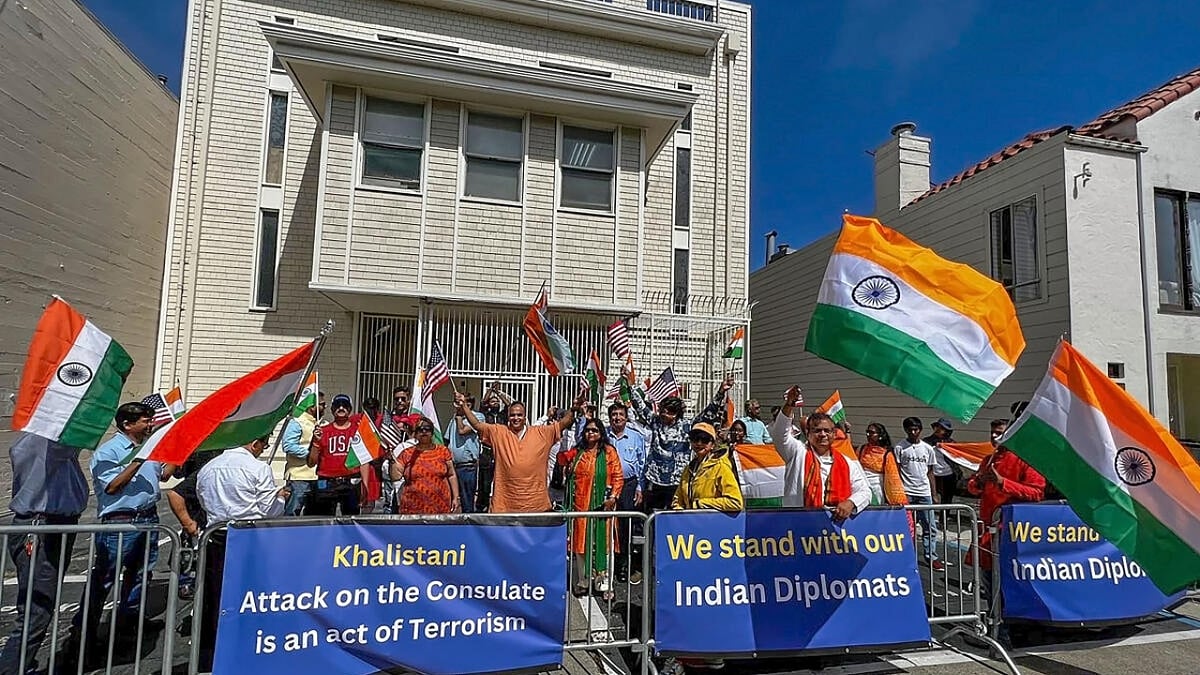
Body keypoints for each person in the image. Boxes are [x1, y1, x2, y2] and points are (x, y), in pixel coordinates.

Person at [70, 403, 173, 657]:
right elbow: (112, 486)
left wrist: (175, 453)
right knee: (104, 578)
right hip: (121, 521)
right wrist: (138, 460)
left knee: (139, 575)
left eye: (150, 420)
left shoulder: (149, 448)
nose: (150, 424)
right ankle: (84, 633)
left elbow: (165, 475)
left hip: (148, 519)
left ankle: (128, 624)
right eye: (145, 421)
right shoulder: (110, 452)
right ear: (128, 424)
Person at [195, 434, 289, 671]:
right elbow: (269, 511)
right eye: (264, 444)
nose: (264, 449)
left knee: (217, 594)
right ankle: (249, 645)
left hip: (216, 536)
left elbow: (202, 499)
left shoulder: (208, 467)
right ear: (254, 443)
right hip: (248, 538)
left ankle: (214, 649)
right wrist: (280, 498)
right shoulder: (257, 468)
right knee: (252, 595)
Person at [0, 434, 90, 675]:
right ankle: (10, 668)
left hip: (52, 526)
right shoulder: (45, 443)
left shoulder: (49, 446)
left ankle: (19, 663)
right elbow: (82, 432)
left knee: (38, 609)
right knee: (36, 610)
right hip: (43, 528)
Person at [454, 390, 585, 513]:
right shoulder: (498, 432)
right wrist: (464, 406)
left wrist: (575, 407)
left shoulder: (541, 432)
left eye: (519, 415)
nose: (516, 418)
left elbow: (564, 422)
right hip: (505, 504)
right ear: (508, 416)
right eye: (512, 415)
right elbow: (477, 425)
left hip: (535, 505)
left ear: (525, 416)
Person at [967, 419, 1046, 598]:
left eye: (999, 432)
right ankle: (994, 619)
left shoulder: (1026, 459)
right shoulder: (989, 460)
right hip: (988, 532)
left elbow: (1036, 492)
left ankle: (1006, 622)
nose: (994, 436)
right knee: (989, 584)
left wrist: (1003, 482)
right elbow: (973, 487)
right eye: (992, 432)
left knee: (1009, 585)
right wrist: (978, 482)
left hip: (1012, 532)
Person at [631, 377, 730, 512]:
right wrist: (629, 383)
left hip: (677, 482)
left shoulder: (687, 426)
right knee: (652, 518)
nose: (664, 414)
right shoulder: (655, 422)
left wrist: (721, 392)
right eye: (662, 410)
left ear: (676, 413)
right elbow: (639, 405)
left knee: (675, 517)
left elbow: (708, 414)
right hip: (654, 481)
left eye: (668, 411)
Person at [560, 419, 623, 598]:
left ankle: (605, 583)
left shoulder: (609, 452)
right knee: (581, 545)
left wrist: (613, 497)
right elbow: (570, 477)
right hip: (582, 506)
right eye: (588, 430)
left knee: (605, 545)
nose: (591, 433)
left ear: (601, 433)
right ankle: (584, 580)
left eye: (595, 430)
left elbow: (618, 476)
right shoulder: (579, 452)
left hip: (604, 506)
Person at [164, 446, 222, 599]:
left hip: (208, 498)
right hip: (194, 497)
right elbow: (176, 477)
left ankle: (195, 579)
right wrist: (187, 522)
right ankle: (185, 579)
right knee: (189, 541)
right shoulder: (203, 448)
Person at [305, 394, 371, 516]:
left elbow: (364, 461)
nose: (341, 408)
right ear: (332, 409)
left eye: (345, 405)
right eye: (337, 405)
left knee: (351, 520)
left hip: (351, 482)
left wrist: (365, 487)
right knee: (324, 521)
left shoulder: (358, 432)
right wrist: (315, 442)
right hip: (327, 483)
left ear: (350, 409)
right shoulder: (322, 431)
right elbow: (311, 463)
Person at [606, 402, 646, 584]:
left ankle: (623, 565)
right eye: (614, 414)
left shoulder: (636, 437)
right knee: (606, 525)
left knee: (625, 526)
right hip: (607, 484)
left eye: (620, 414)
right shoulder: (603, 436)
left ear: (626, 417)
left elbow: (642, 464)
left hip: (629, 485)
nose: (617, 418)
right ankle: (605, 566)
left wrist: (640, 487)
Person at [896, 417, 943, 569]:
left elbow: (930, 472)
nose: (913, 432)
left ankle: (931, 555)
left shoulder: (928, 449)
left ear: (920, 430)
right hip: (906, 492)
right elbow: (896, 471)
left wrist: (934, 493)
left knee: (929, 526)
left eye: (916, 429)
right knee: (907, 527)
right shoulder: (900, 448)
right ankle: (907, 556)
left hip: (924, 492)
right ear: (906, 430)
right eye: (910, 430)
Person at [856, 423, 914, 536]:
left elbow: (892, 477)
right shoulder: (862, 449)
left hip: (877, 489)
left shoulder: (887, 454)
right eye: (867, 432)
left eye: (872, 433)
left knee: (875, 515)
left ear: (880, 435)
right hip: (861, 486)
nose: (868, 435)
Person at [394, 418, 460, 514]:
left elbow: (451, 475)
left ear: (432, 433)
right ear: (415, 434)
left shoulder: (443, 451)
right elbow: (396, 476)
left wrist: (456, 497)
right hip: (412, 506)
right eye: (420, 429)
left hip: (440, 505)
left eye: (427, 429)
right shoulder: (407, 453)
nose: (424, 432)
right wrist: (392, 462)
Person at [672, 423, 744, 512]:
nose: (699, 443)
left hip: (711, 523)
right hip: (690, 523)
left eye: (704, 440)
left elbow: (735, 502)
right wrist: (680, 515)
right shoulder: (688, 469)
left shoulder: (721, 467)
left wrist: (700, 504)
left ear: (712, 445)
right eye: (695, 438)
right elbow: (677, 501)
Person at [280, 392, 325, 515]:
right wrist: (310, 454)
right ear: (312, 407)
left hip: (318, 477)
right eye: (322, 404)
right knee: (292, 513)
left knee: (314, 515)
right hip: (299, 478)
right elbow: (288, 445)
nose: (325, 407)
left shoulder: (321, 424)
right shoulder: (297, 422)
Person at [446, 394, 485, 513]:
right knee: (454, 500)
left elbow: (462, 430)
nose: (463, 406)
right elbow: (447, 438)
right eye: (460, 403)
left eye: (467, 404)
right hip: (453, 466)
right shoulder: (454, 418)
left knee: (467, 500)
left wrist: (459, 418)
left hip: (467, 466)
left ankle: (468, 525)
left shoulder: (477, 417)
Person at [925, 418, 958, 505]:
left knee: (947, 498)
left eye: (942, 428)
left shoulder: (951, 443)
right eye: (937, 427)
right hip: (933, 474)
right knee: (932, 497)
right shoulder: (926, 442)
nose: (938, 430)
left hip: (948, 474)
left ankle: (944, 517)